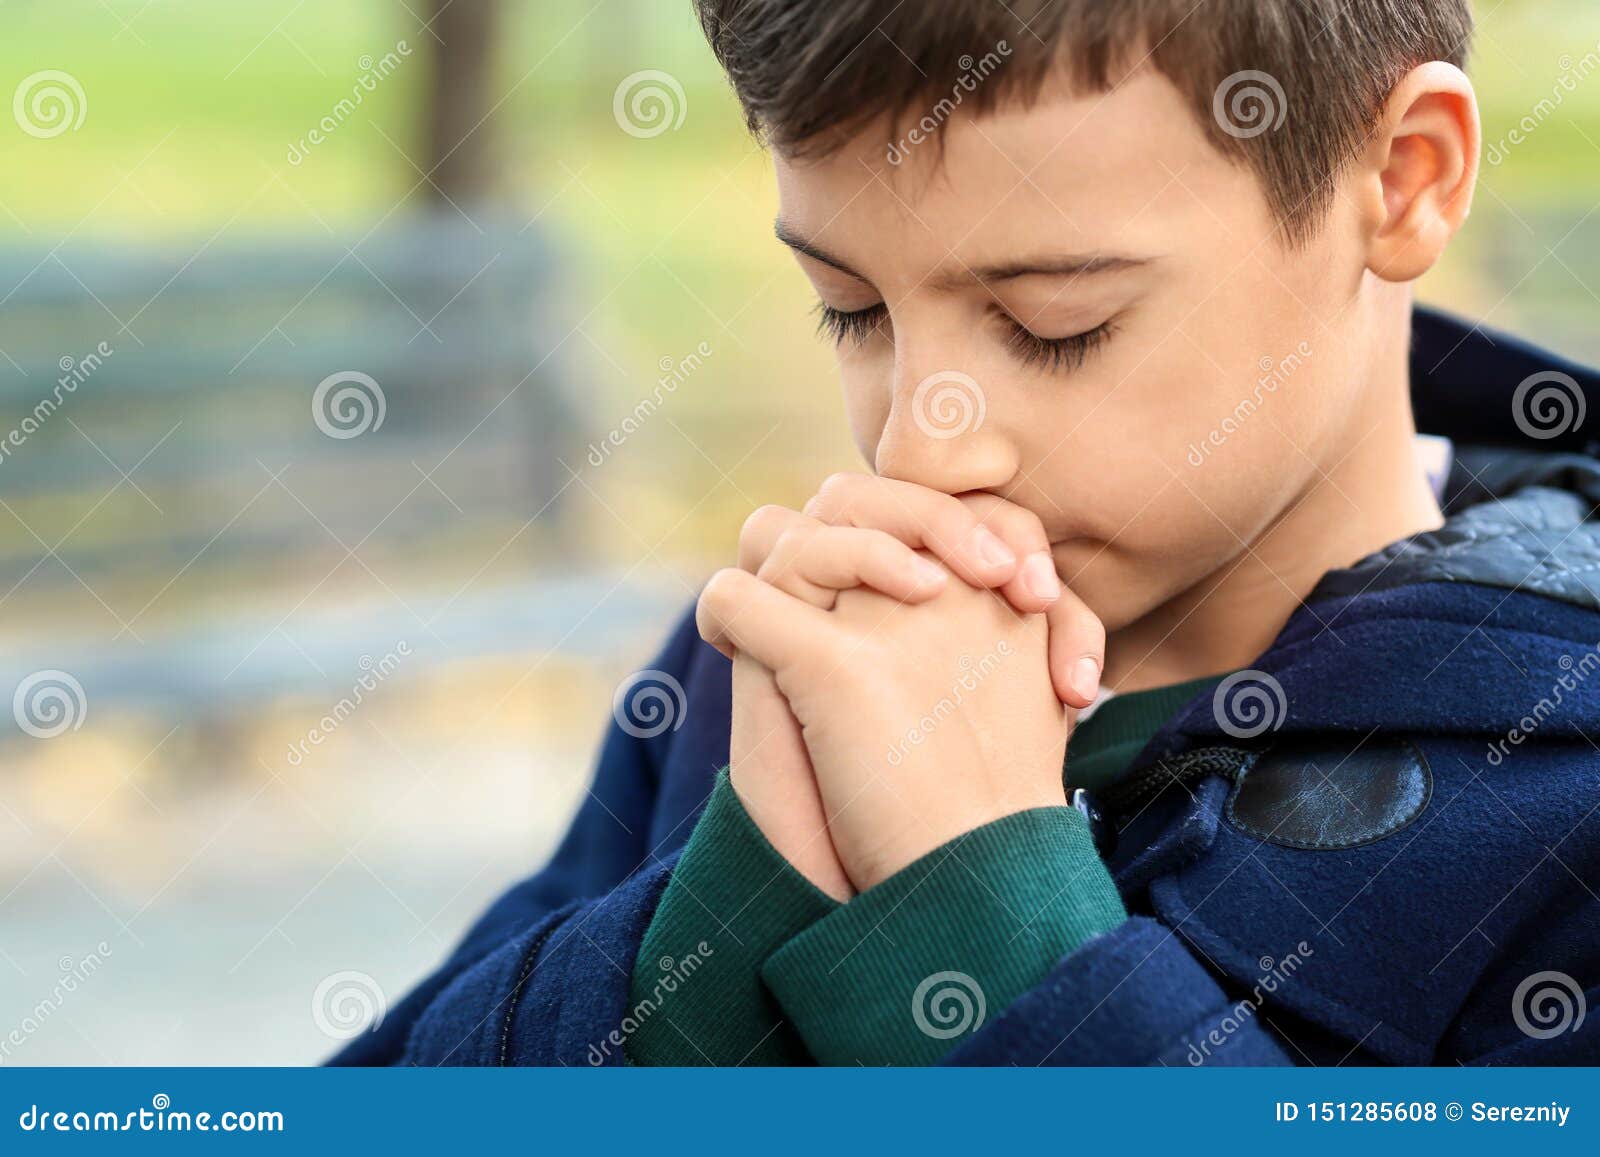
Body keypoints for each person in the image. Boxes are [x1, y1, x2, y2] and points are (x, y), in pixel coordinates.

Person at [336, 0, 1600, 1066]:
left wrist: (985, 922)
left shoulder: (1557, 811)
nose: (918, 450)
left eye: (1056, 323)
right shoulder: (777, 665)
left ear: (1402, 176)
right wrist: (710, 942)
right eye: (851, 309)